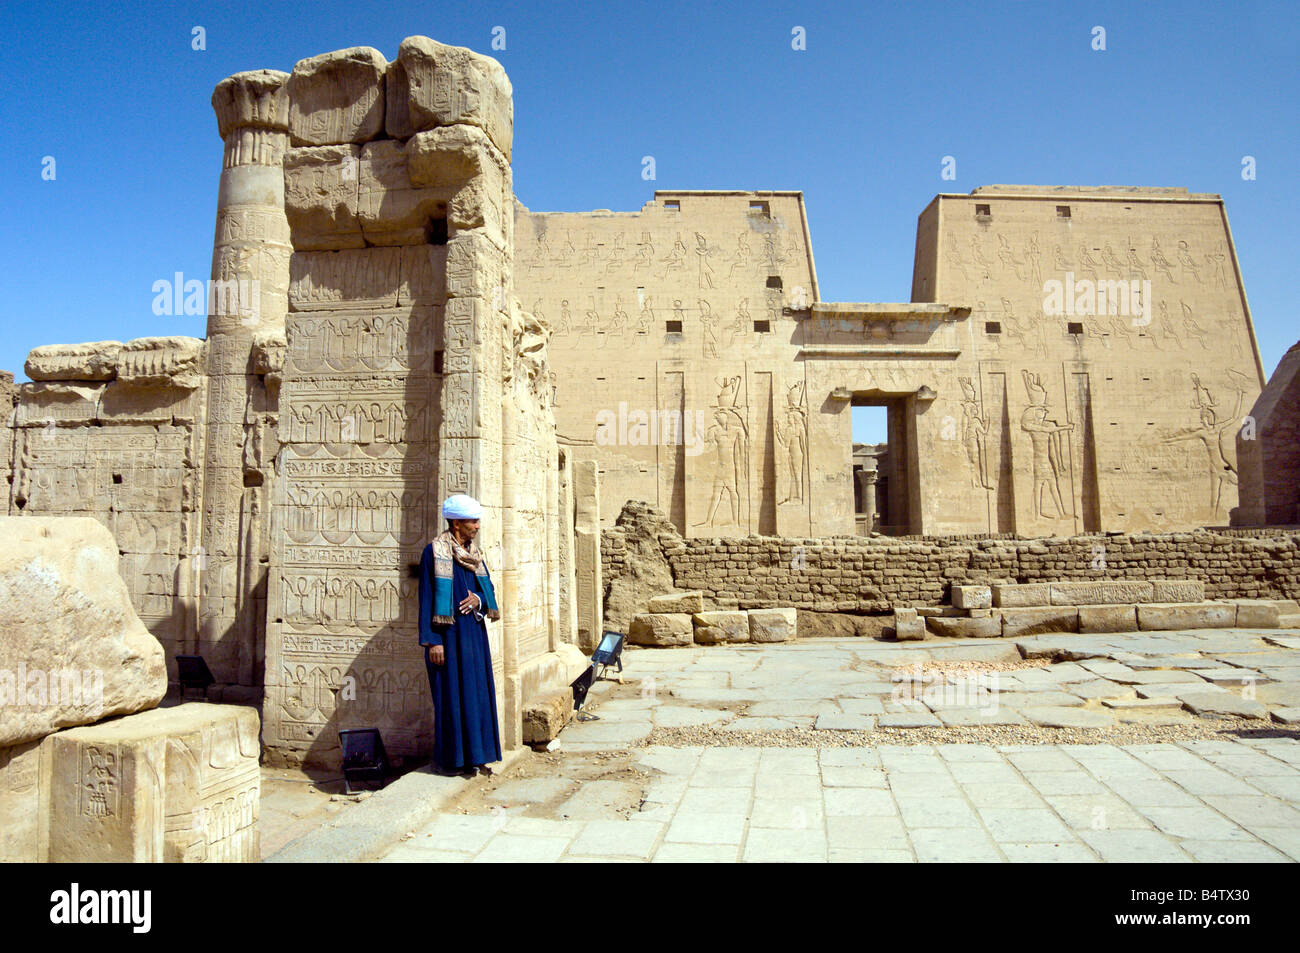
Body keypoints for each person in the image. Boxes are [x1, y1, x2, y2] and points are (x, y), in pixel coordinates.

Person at [417, 493, 502, 775]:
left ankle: (477, 755)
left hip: (473, 637)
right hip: (448, 639)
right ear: (456, 524)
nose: (477, 526)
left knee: (476, 694)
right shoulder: (434, 552)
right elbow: (427, 597)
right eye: (472, 521)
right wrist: (433, 641)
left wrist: (479, 599)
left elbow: (487, 590)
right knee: (451, 698)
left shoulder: (474, 555)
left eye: (477, 521)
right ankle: (453, 762)